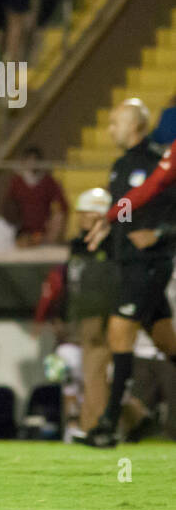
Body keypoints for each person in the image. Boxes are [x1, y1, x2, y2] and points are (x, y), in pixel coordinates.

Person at [80, 99, 176, 447]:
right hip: (131, 266)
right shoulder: (126, 165)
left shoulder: (155, 156)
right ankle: (128, 421)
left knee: (119, 334)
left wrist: (161, 234)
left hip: (151, 264)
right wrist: (107, 223)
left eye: (115, 123)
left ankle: (108, 425)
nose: (109, 130)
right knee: (167, 343)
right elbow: (146, 191)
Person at [34, 187, 119, 437]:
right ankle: (110, 420)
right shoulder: (78, 245)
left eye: (87, 213)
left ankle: (92, 425)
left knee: (95, 371)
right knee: (88, 371)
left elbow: (107, 281)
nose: (81, 218)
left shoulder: (111, 243)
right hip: (83, 313)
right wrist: (62, 313)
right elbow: (72, 282)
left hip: (101, 313)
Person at [3, 146, 68, 243]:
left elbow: (62, 206)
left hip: (42, 232)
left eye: (35, 160)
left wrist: (53, 225)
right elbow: (8, 206)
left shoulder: (48, 182)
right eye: (29, 160)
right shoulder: (16, 182)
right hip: (21, 233)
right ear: (24, 162)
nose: (32, 164)